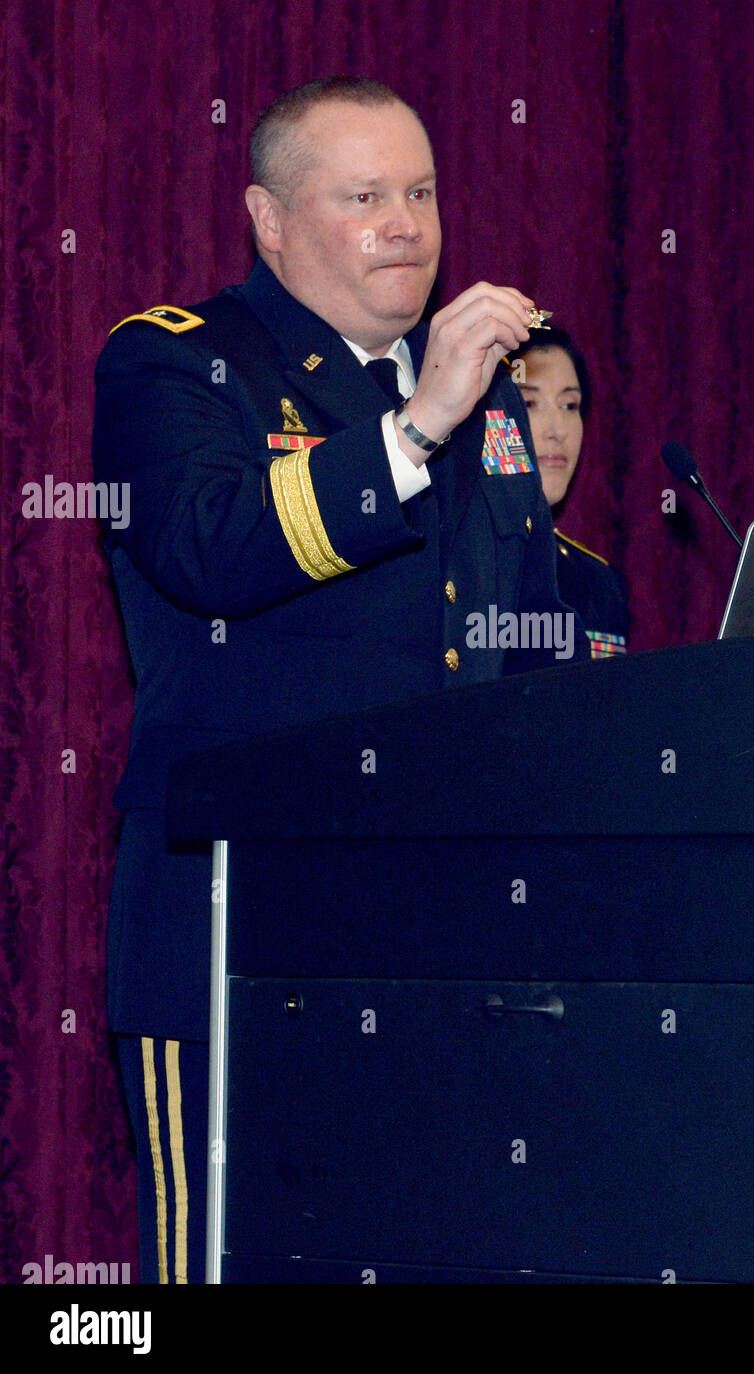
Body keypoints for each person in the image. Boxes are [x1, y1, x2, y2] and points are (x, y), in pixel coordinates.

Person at [92, 76, 585, 1283]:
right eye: (364, 196)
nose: (406, 225)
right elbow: (209, 552)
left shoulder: (476, 394)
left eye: (418, 192)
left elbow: (518, 633)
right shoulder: (176, 364)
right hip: (230, 919)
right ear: (268, 219)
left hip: (435, 933)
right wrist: (411, 430)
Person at [514, 328, 629, 656]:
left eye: (569, 405)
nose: (556, 430)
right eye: (529, 403)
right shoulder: (457, 562)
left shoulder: (595, 580)